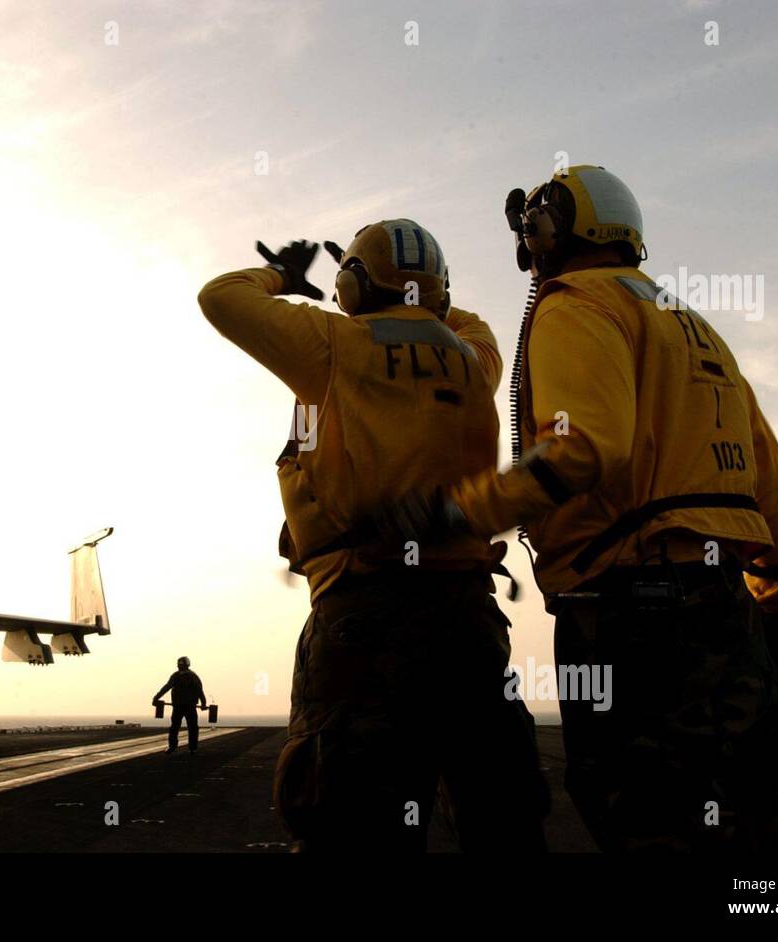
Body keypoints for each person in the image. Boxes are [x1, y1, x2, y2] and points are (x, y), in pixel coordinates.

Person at [379, 167, 778, 851]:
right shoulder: (690, 325)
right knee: (752, 836)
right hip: (733, 618)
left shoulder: (576, 305)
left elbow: (582, 449)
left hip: (631, 616)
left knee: (643, 820)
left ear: (552, 228)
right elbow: (768, 477)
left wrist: (458, 513)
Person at [198, 222, 548, 852]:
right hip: (466, 618)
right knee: (499, 816)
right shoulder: (475, 358)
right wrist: (422, 293)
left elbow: (220, 296)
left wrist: (285, 275)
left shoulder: (334, 343)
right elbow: (461, 318)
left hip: (364, 614)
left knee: (350, 823)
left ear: (354, 286)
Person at [153, 656, 207, 753]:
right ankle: (190, 748)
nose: (180, 666)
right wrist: (203, 703)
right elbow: (199, 691)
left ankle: (177, 747)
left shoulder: (185, 676)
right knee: (188, 727)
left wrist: (156, 697)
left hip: (185, 706)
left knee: (180, 726)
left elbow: (199, 690)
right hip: (182, 706)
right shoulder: (188, 676)